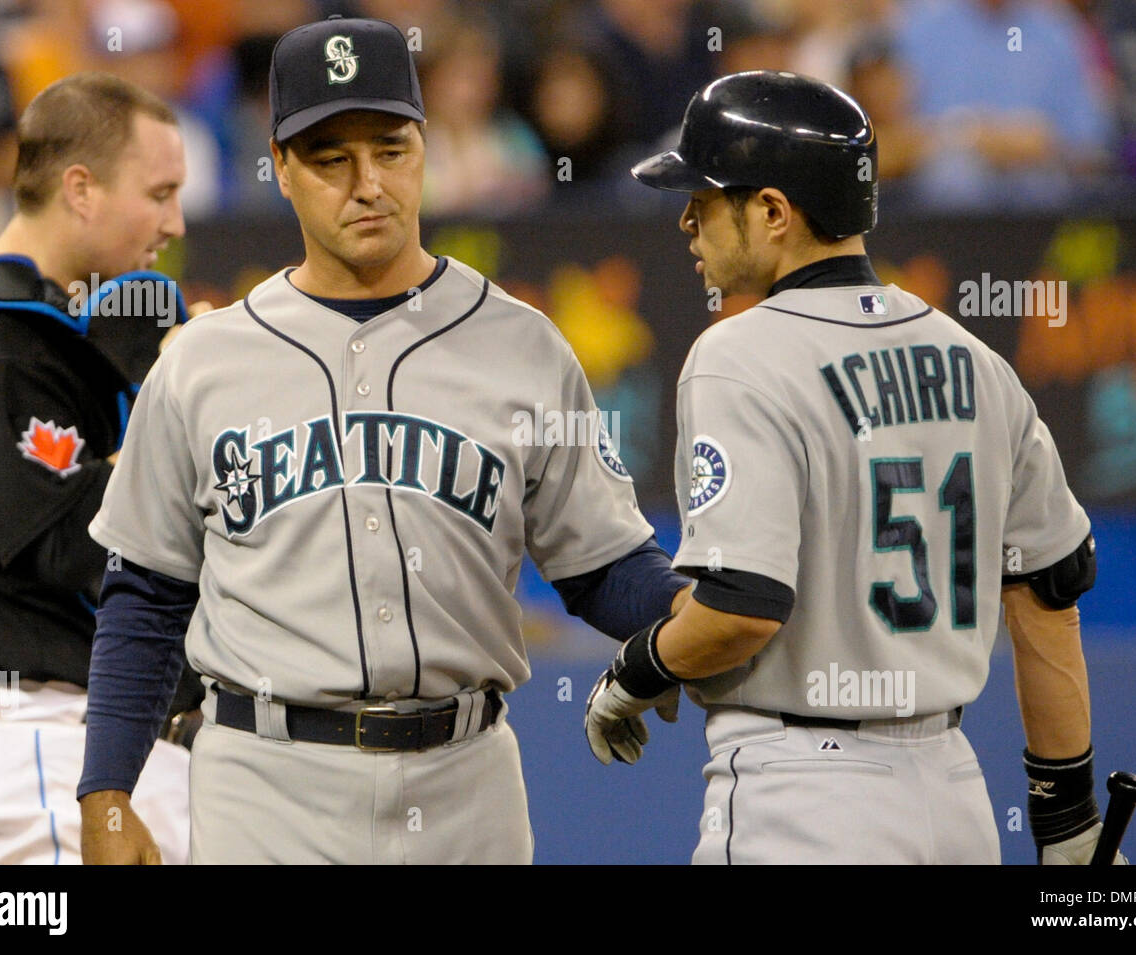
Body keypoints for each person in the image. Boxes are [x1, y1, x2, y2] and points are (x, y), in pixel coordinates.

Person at [77, 16, 690, 865]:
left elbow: (601, 566)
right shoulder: (206, 362)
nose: (368, 183)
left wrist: (688, 616)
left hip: (467, 779)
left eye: (391, 149)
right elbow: (144, 596)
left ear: (425, 147)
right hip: (266, 785)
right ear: (282, 169)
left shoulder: (523, 344)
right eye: (331, 159)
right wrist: (106, 794)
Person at [583, 70, 1125, 866]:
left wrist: (633, 670)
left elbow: (741, 608)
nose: (686, 220)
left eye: (705, 197)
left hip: (804, 799)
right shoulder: (973, 360)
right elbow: (1048, 593)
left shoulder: (737, 353)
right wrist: (1069, 820)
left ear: (773, 212)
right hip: (956, 800)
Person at [0, 72, 202, 864]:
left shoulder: (47, 327)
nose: (174, 221)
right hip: (40, 744)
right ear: (81, 187)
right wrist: (181, 414)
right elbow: (79, 546)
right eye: (159, 192)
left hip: (100, 741)